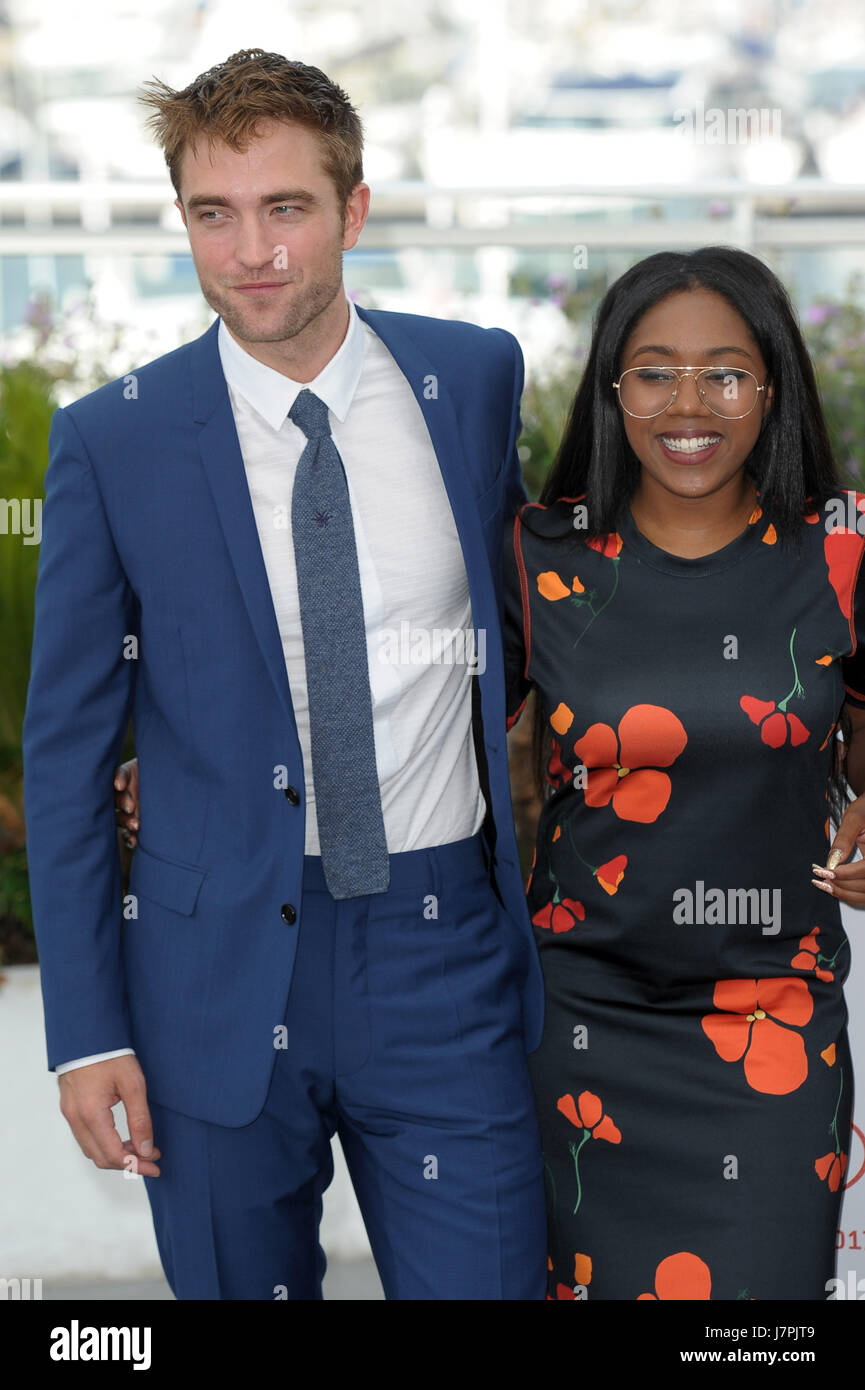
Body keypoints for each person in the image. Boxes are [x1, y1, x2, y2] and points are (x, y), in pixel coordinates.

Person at [22, 49, 547, 1301]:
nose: (251, 250)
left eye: (285, 208)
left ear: (352, 210)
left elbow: (530, 629)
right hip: (208, 973)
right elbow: (66, 756)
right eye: (214, 213)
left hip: (440, 945)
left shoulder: (468, 381)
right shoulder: (116, 437)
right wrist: (87, 1031)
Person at [501, 246, 865, 1300]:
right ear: (613, 389)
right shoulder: (537, 556)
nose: (687, 401)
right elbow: (422, 732)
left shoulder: (841, 547)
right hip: (582, 1022)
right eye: (653, 370)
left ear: (772, 385)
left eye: (725, 370)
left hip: (775, 1023)